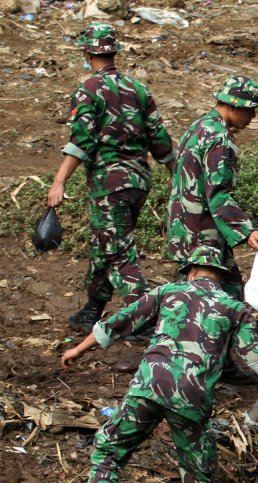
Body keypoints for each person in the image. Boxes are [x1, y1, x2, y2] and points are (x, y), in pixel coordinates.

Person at [59, 245, 258, 483]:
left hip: (149, 386)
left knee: (110, 448)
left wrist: (78, 349)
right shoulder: (234, 307)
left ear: (190, 270)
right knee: (196, 468)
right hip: (193, 397)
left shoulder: (168, 292)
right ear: (222, 277)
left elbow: (119, 323)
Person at [48, 23, 175, 331]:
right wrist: (178, 177)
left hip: (110, 185)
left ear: (87, 53)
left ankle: (143, 321)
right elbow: (160, 139)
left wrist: (59, 181)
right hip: (138, 182)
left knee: (117, 250)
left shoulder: (88, 90)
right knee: (105, 243)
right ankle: (93, 308)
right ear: (114, 52)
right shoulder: (139, 89)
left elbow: (82, 140)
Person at [167, 76, 258, 300]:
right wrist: (246, 231)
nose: (253, 116)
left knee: (221, 291)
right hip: (203, 233)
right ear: (233, 106)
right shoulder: (220, 139)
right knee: (215, 297)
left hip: (183, 226)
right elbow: (219, 194)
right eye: (250, 110)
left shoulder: (198, 126)